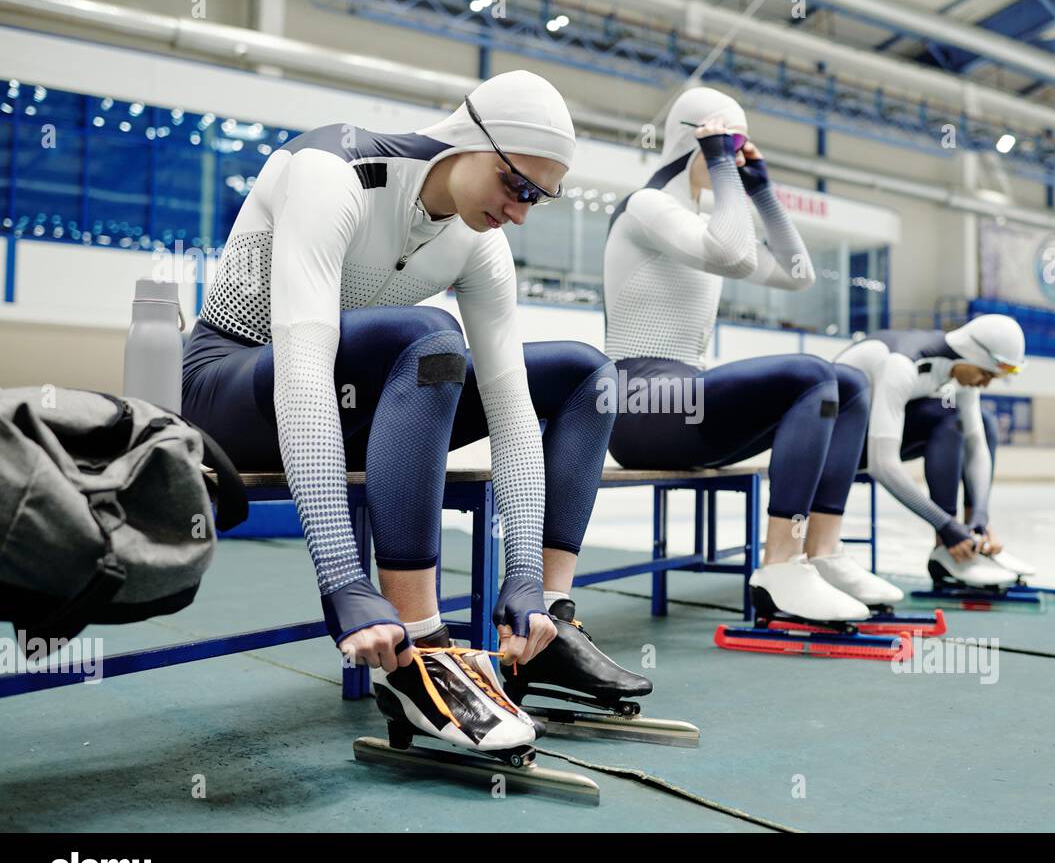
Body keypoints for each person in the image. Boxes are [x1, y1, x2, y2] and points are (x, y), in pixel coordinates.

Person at [182, 71, 646, 757]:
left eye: (538, 200)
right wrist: (343, 577)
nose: (521, 212)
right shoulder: (330, 173)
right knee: (429, 338)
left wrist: (523, 576)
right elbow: (305, 375)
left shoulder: (478, 242)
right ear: (471, 142)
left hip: (361, 402)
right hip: (235, 388)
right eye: (517, 186)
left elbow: (515, 414)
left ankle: (545, 628)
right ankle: (420, 649)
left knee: (585, 373)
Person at [602, 86, 901, 623]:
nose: (734, 161)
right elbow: (735, 255)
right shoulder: (647, 207)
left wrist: (763, 195)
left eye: (739, 151)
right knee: (810, 375)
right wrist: (722, 165)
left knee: (850, 383)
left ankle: (821, 553)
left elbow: (798, 275)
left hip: (682, 402)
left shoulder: (699, 222)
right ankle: (780, 568)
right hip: (638, 404)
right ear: (695, 140)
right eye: (728, 146)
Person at [835, 314, 1034, 589]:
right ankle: (948, 544)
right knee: (950, 419)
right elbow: (882, 464)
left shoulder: (960, 368)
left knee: (982, 422)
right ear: (973, 354)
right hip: (838, 448)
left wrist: (980, 514)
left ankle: (971, 539)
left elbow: (976, 443)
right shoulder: (902, 364)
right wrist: (944, 524)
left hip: (869, 434)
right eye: (987, 374)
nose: (986, 383)